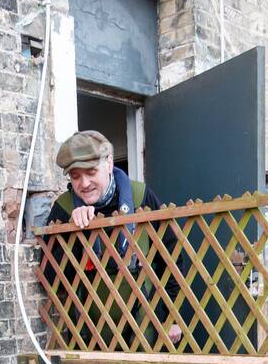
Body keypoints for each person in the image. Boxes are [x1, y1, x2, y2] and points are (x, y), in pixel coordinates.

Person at [42, 131, 183, 348]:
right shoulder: (63, 209)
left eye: (90, 172)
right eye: (75, 176)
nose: (84, 183)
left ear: (108, 163)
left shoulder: (141, 197)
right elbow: (53, 280)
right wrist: (71, 232)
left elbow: (171, 260)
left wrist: (173, 317)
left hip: (144, 324)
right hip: (88, 332)